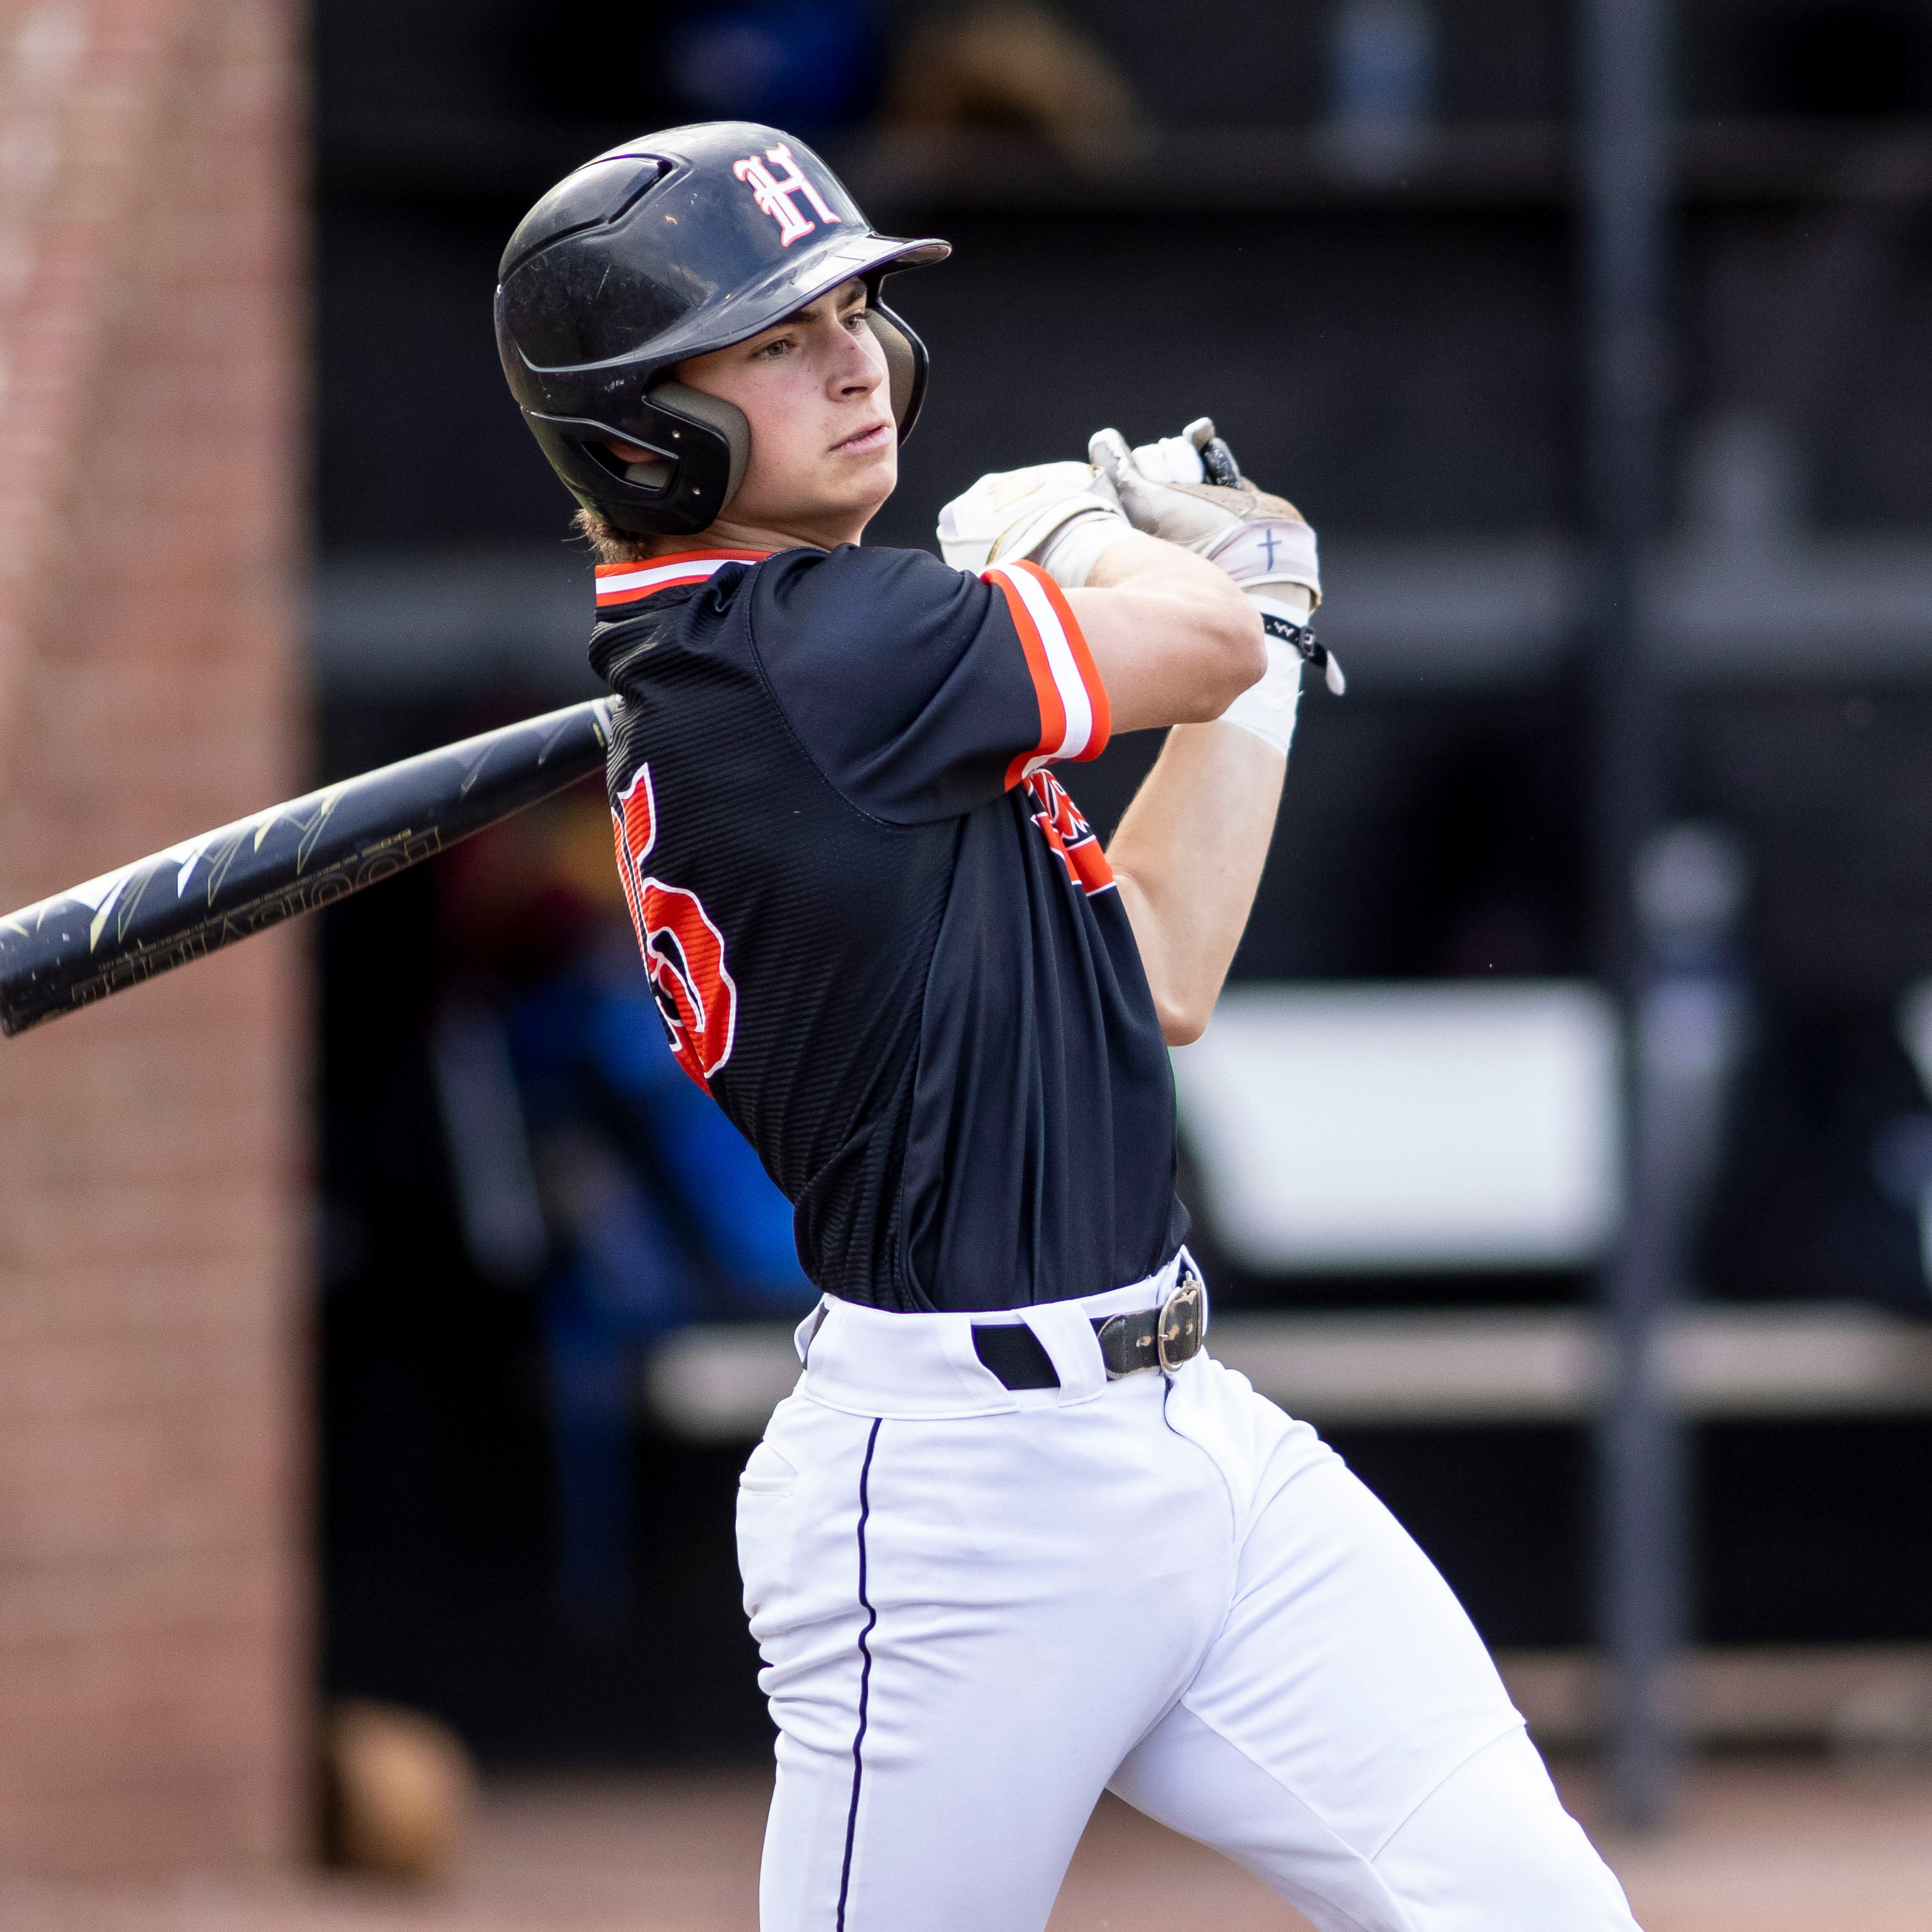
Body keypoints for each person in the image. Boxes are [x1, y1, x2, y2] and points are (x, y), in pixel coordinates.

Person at [493, 123, 1643, 1931]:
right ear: (646, 424)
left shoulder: (825, 658)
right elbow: (1191, 641)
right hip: (961, 1506)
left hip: (1192, 1432)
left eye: (854, 313)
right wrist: (1095, 537)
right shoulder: (809, 654)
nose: (853, 364)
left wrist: (1260, 625)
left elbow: (1159, 964)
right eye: (778, 339)